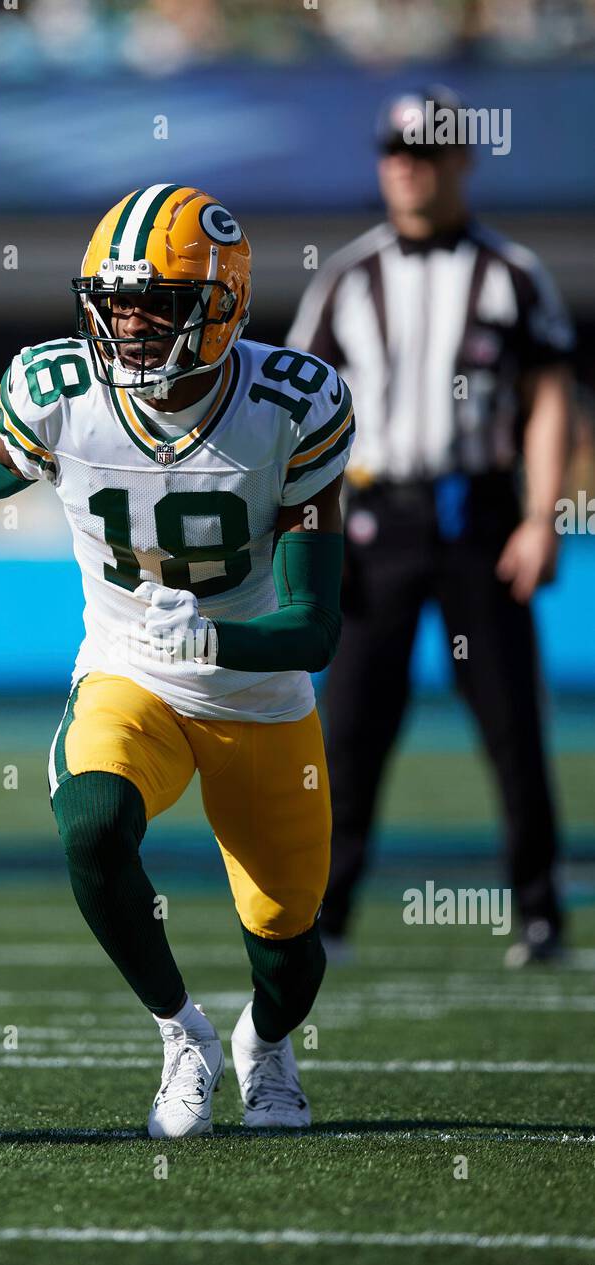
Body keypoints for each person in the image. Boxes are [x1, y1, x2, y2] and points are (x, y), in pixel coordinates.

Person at [0, 184, 355, 1136]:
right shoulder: (59, 392)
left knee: (288, 948)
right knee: (92, 824)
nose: (132, 324)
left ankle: (266, 1046)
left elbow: (316, 626)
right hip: (128, 672)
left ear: (221, 304)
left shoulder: (291, 407)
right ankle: (180, 1032)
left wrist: (217, 636)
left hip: (260, 693)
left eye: (158, 302)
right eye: (116, 303)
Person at [286, 88, 574, 965]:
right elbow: (299, 412)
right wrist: (309, 527)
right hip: (374, 519)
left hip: (479, 515)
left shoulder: (512, 272)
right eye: (396, 151)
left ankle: (538, 911)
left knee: (510, 717)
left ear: (462, 161)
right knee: (352, 724)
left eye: (428, 152)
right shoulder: (345, 277)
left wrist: (541, 516)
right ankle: (324, 912)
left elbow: (551, 397)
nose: (408, 165)